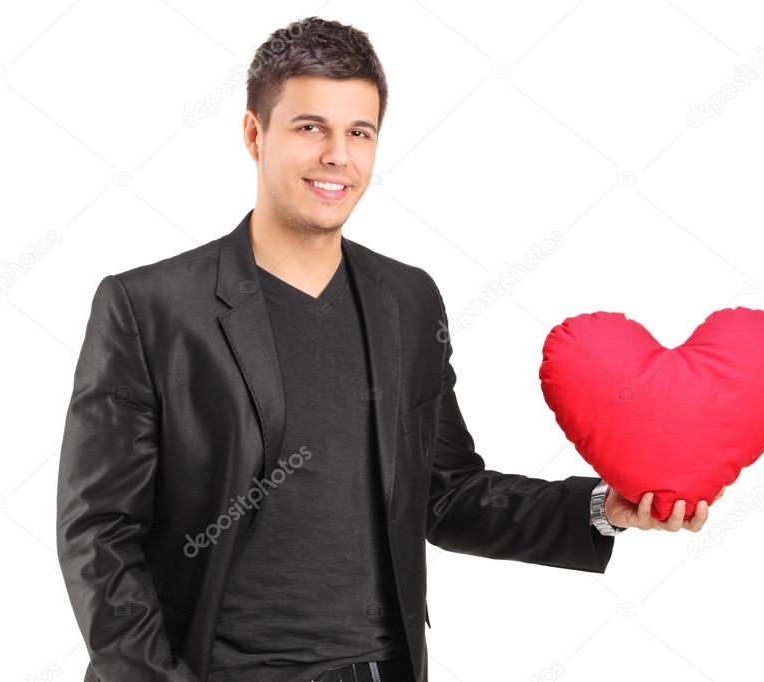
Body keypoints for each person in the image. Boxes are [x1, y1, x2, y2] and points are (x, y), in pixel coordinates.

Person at [55, 17, 720, 682]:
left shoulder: (407, 301)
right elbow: (99, 534)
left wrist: (603, 506)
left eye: (358, 132)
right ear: (255, 135)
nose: (336, 155)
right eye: (309, 127)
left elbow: (447, 494)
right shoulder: (149, 308)